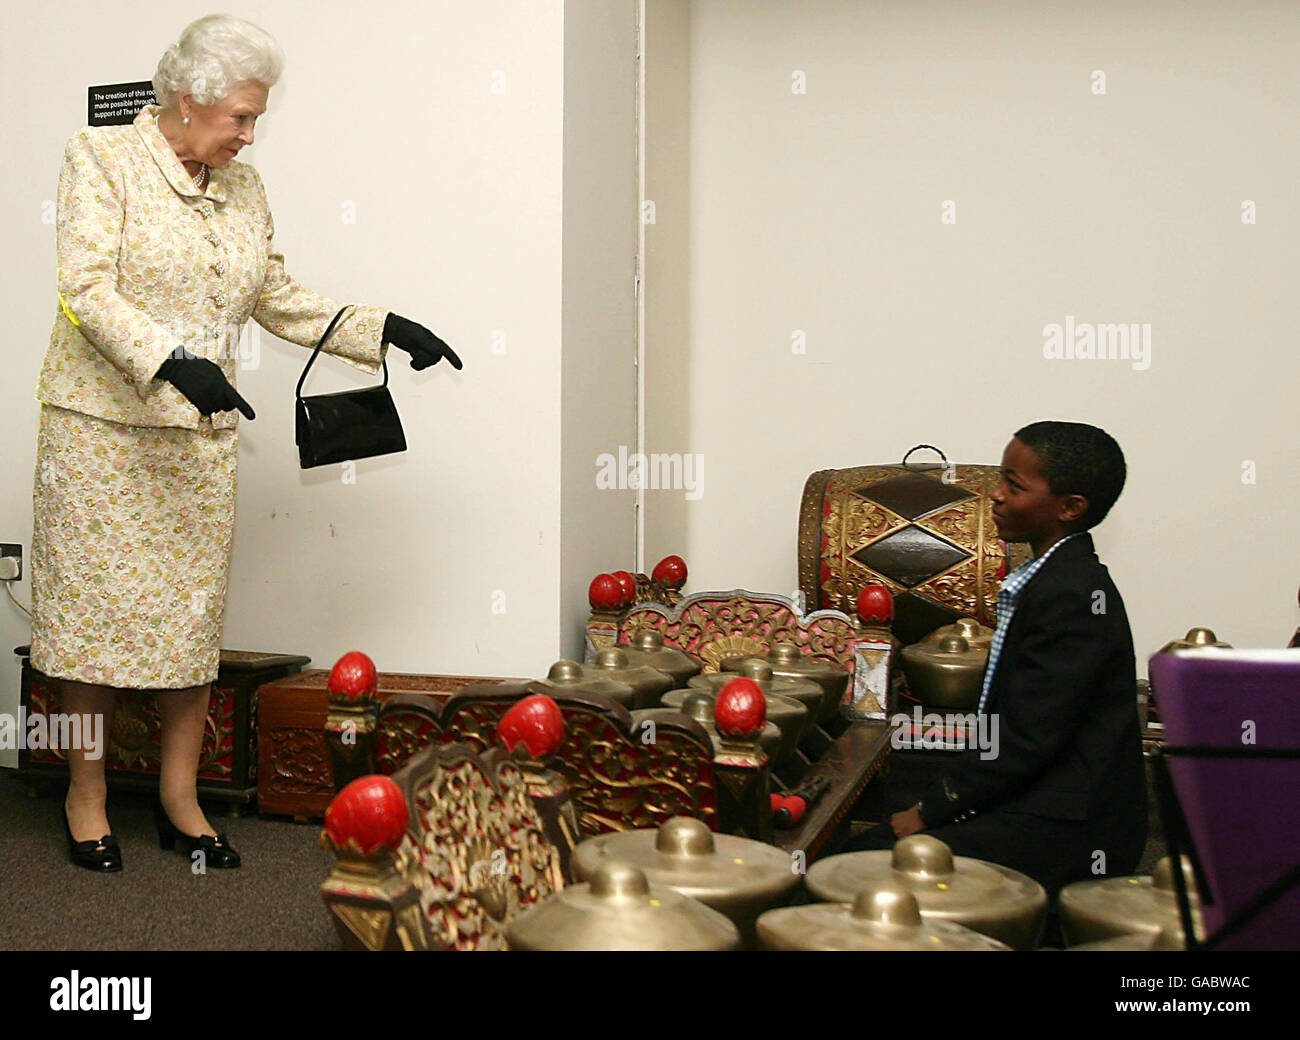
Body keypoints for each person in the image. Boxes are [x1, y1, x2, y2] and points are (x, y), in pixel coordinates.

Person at [32, 14, 461, 872]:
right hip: (100, 436)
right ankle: (86, 796)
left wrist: (379, 329)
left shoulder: (244, 186)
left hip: (196, 439)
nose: (249, 133)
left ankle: (179, 799)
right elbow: (82, 287)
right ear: (187, 102)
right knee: (91, 628)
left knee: (188, 627)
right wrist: (173, 361)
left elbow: (274, 291)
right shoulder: (102, 157)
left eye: (256, 117)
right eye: (239, 116)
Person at [847, 421, 1147, 901]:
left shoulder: (1073, 595)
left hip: (1070, 827)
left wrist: (931, 809)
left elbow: (1030, 741)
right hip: (1039, 802)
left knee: (857, 867)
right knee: (867, 847)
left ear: (1070, 508)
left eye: (1015, 484)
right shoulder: (1056, 579)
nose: (997, 495)